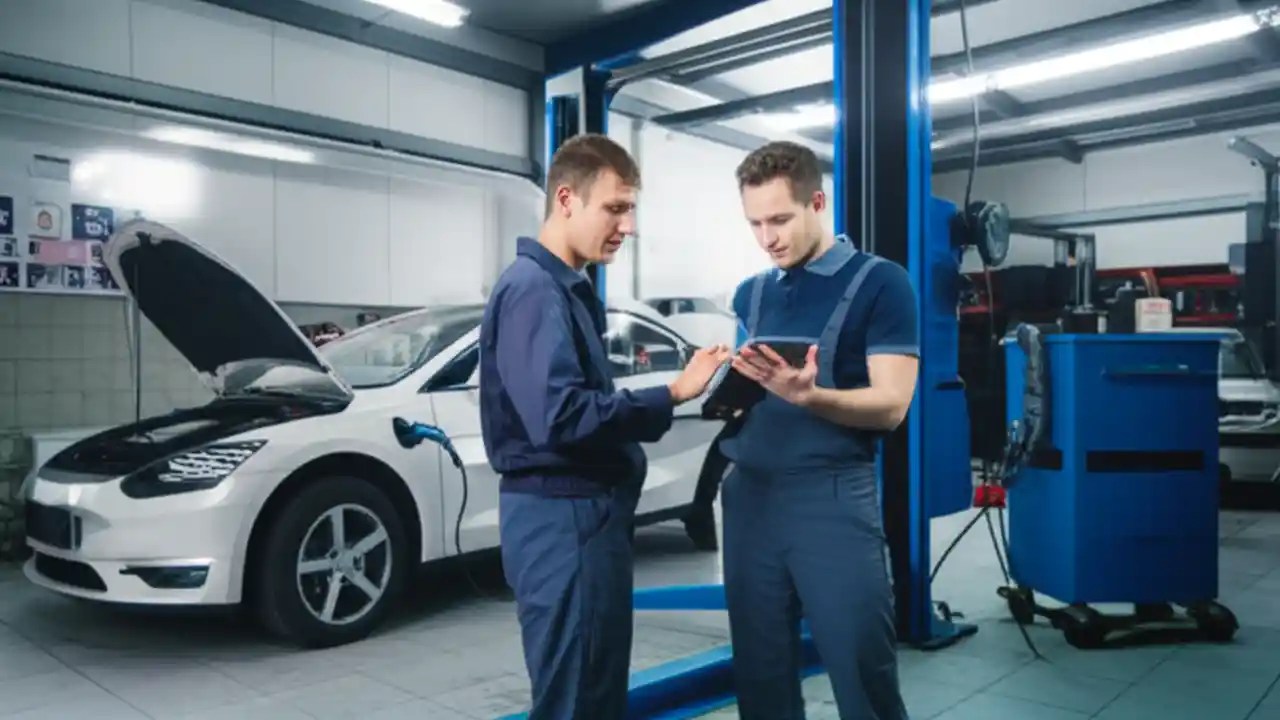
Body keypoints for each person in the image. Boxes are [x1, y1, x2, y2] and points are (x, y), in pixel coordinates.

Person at [478, 132, 731, 720]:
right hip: (563, 523)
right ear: (566, 200)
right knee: (576, 699)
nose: (629, 224)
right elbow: (560, 418)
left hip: (582, 520)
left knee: (594, 690)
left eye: (631, 208)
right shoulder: (534, 291)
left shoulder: (568, 288)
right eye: (615, 208)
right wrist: (671, 393)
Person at [719, 141, 918, 720]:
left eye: (779, 219)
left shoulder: (883, 284)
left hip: (829, 497)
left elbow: (892, 405)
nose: (767, 237)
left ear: (818, 202)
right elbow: (753, 390)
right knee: (759, 673)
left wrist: (811, 396)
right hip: (749, 496)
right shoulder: (750, 294)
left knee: (862, 672)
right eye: (754, 223)